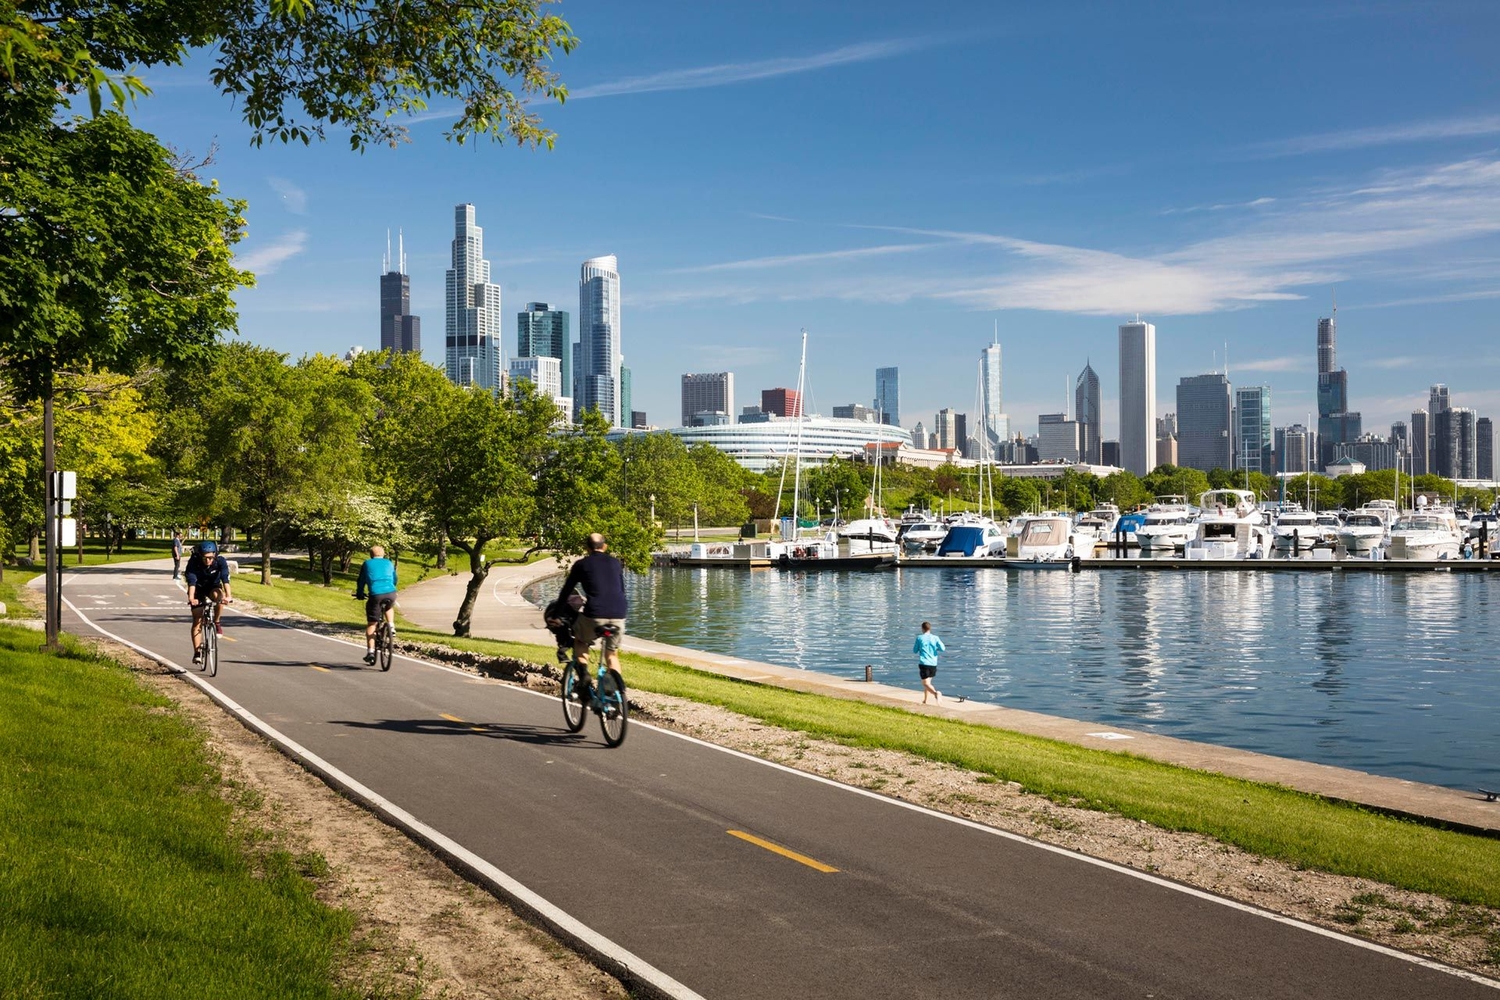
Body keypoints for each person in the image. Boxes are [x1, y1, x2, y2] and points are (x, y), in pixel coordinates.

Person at [557, 532, 628, 694]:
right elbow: (621, 590)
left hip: (595, 613)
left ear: (587, 548)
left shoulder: (581, 565)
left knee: (581, 640)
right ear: (605, 546)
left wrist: (557, 614)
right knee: (612, 655)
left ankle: (584, 674)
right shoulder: (615, 563)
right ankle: (614, 694)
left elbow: (566, 591)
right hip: (619, 613)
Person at [184, 540, 232, 663]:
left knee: (219, 597)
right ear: (200, 555)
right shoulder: (194, 562)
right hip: (197, 588)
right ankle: (197, 653)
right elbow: (191, 582)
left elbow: (225, 579)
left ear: (215, 555)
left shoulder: (220, 561)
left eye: (210, 557)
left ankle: (217, 622)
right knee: (197, 619)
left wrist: (228, 596)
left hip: (213, 587)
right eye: (205, 558)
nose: (208, 560)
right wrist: (191, 599)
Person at [354, 544, 398, 664]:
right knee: (389, 606)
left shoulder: (367, 563)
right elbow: (395, 578)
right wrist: (392, 587)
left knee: (372, 624)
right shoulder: (389, 563)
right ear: (383, 554)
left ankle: (371, 652)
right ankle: (391, 626)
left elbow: (361, 580)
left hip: (376, 594)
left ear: (371, 554)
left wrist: (360, 593)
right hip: (391, 592)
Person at [913, 621, 946, 704]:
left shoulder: (919, 638)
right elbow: (942, 649)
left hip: (924, 663)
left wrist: (920, 648)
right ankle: (925, 700)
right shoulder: (935, 638)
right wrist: (935, 649)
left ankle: (936, 693)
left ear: (922, 628)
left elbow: (915, 650)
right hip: (933, 663)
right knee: (928, 683)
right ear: (930, 628)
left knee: (925, 683)